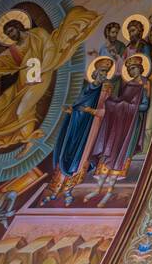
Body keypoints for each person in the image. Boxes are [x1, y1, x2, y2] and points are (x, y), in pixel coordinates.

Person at [0, 7, 100, 160]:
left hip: (40, 78)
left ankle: (29, 142)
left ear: (18, 26)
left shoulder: (38, 34)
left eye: (12, 30)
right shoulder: (15, 49)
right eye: (8, 34)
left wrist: (42, 69)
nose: (11, 35)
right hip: (21, 83)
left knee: (22, 110)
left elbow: (49, 49)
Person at [84, 54, 151, 205]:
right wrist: (116, 104)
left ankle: (109, 190)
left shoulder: (145, 84)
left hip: (131, 127)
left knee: (119, 155)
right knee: (108, 153)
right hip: (118, 124)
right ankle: (98, 188)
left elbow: (144, 106)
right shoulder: (128, 85)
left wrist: (125, 107)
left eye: (133, 68)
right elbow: (122, 100)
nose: (131, 71)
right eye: (129, 68)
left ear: (140, 68)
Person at [44, 56, 113, 205]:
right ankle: (54, 190)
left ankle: (68, 191)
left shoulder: (106, 89)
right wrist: (72, 110)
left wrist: (91, 111)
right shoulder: (87, 88)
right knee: (65, 155)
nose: (103, 74)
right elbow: (78, 105)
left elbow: (107, 111)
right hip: (75, 128)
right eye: (101, 71)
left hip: (89, 130)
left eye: (106, 72)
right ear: (94, 72)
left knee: (80, 160)